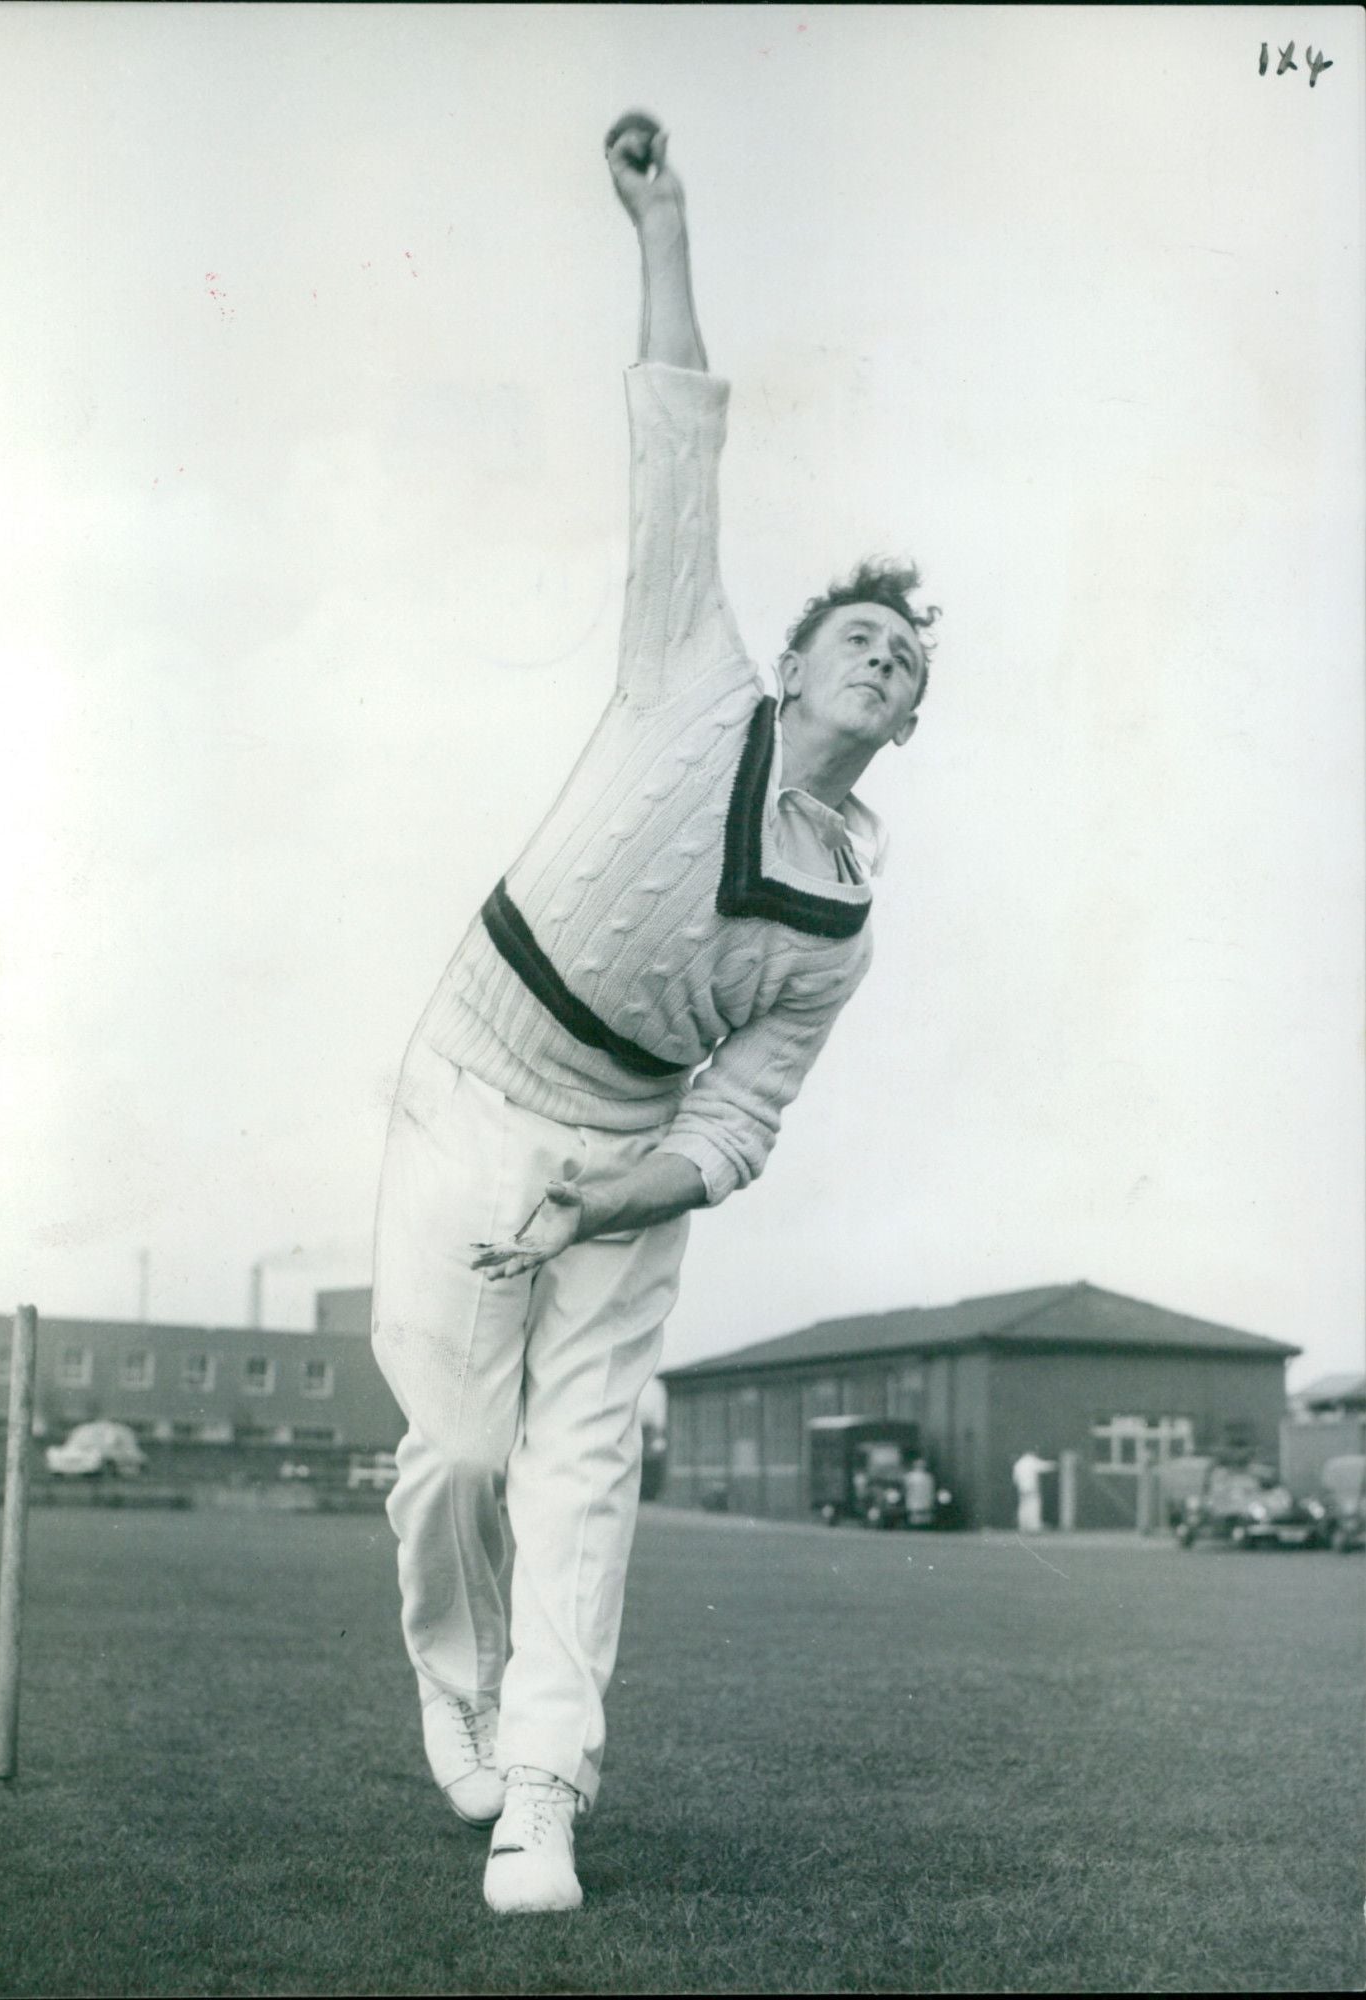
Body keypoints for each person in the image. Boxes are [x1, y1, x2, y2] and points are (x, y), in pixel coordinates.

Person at [370, 112, 938, 1916]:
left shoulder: (838, 926)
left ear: (907, 727)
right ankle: (452, 1701)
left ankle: (540, 1793)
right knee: (458, 1454)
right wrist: (665, 218)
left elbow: (736, 1125)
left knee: (582, 1471)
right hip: (475, 1069)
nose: (889, 657)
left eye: (913, 664)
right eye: (863, 634)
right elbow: (676, 431)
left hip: (623, 1153)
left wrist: (617, 1192)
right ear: (789, 660)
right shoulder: (691, 667)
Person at [1012, 1450, 1057, 1533]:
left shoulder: (1018, 1463)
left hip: (1022, 1488)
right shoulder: (1031, 1461)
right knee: (1034, 1506)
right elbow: (1043, 1466)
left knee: (1023, 1507)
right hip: (1031, 1488)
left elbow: (1015, 1479)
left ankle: (1023, 1526)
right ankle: (1034, 1526)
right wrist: (1055, 1464)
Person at [903, 1455, 937, 1528]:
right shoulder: (910, 1476)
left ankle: (924, 1525)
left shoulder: (928, 1477)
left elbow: (931, 1489)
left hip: (925, 1498)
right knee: (916, 1513)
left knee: (924, 1512)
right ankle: (915, 1525)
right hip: (915, 1498)